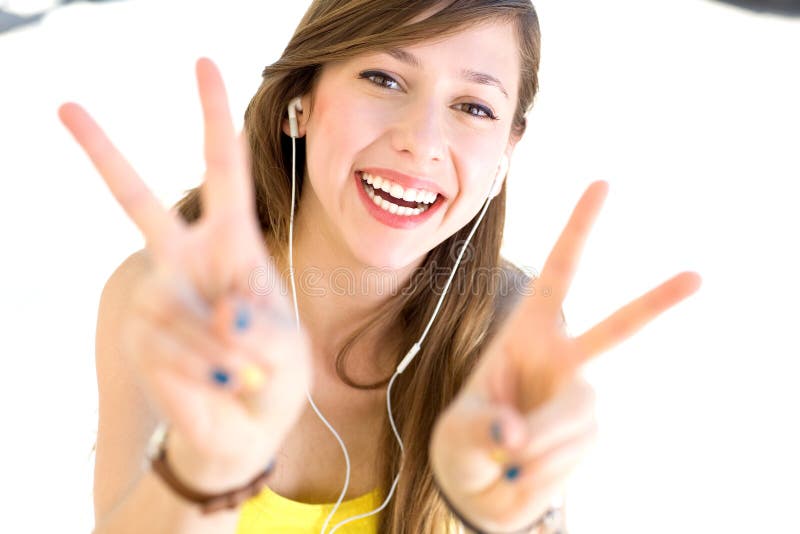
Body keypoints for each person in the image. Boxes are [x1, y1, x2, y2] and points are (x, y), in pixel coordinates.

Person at [59, 1, 702, 533]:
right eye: (383, 79)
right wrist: (204, 473)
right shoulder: (168, 298)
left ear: (508, 146)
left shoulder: (510, 328)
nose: (420, 141)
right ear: (302, 101)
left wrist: (498, 518)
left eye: (473, 107)